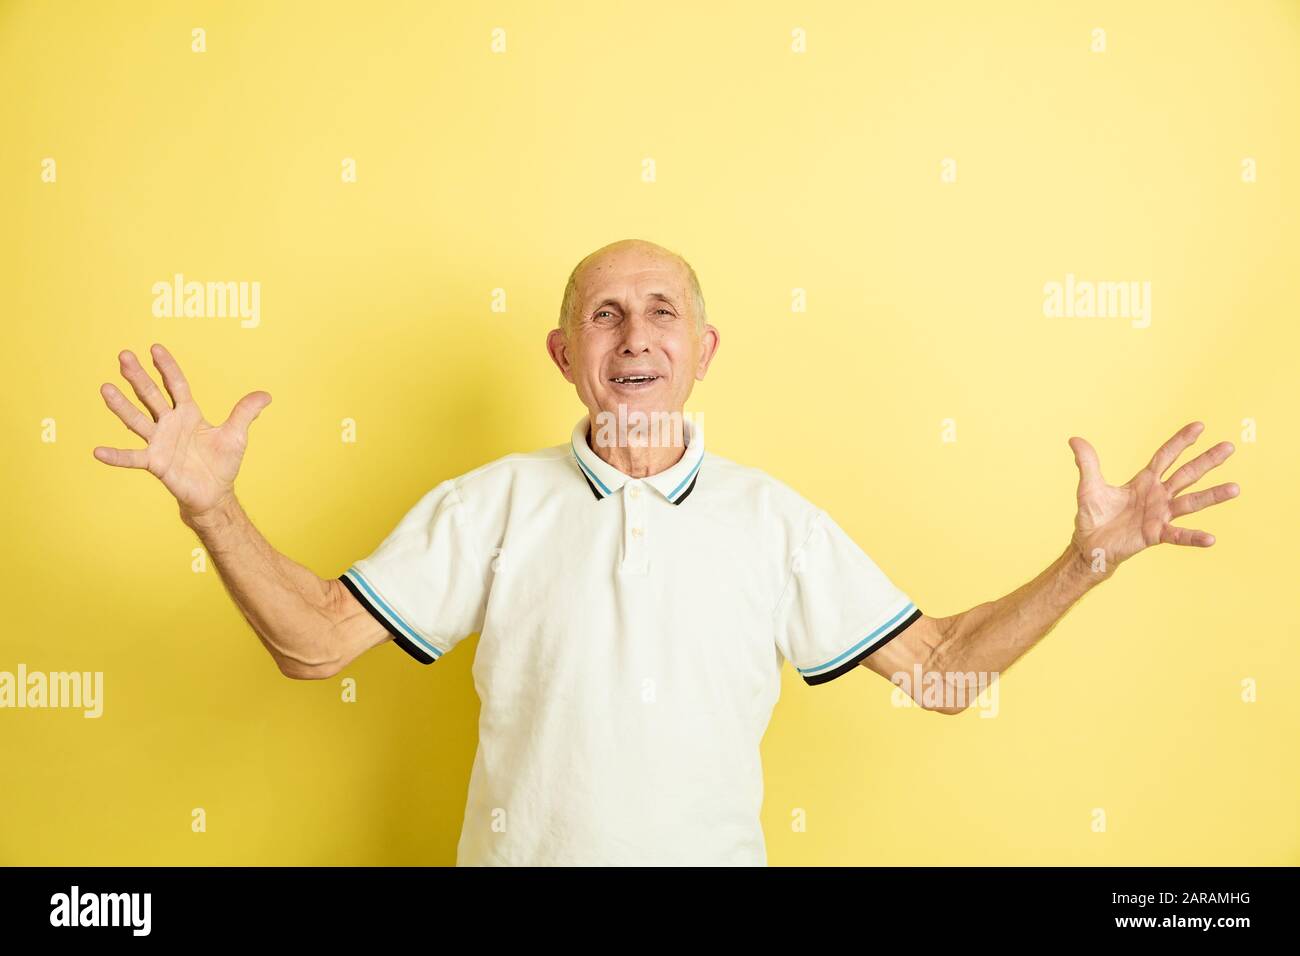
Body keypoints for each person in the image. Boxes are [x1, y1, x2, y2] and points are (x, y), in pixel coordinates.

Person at [93, 238, 1241, 865]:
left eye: (659, 312)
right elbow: (313, 645)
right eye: (602, 314)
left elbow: (942, 669)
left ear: (702, 350)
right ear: (562, 352)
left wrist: (1087, 557)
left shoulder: (775, 522)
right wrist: (212, 510)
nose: (633, 334)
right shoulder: (489, 505)